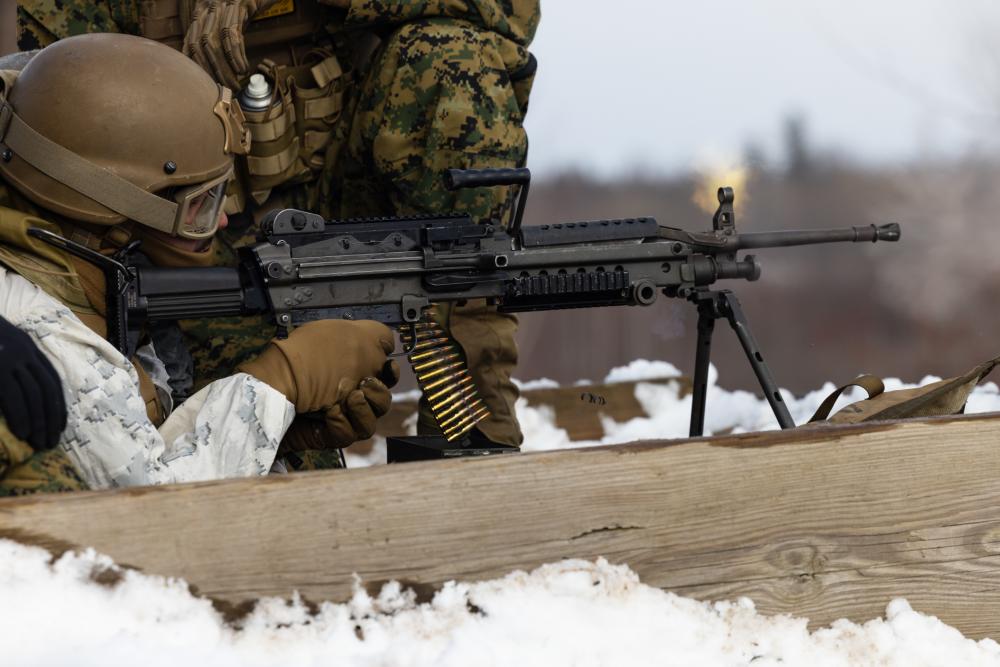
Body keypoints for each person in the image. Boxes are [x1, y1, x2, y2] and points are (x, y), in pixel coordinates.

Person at [16, 0, 540, 450]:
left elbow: (508, 16)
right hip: (178, 241)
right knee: (246, 455)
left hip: (354, 203)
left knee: (451, 58)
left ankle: (475, 426)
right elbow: (47, 104)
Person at [0, 33, 396, 495]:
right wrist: (279, 382)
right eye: (201, 205)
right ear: (114, 202)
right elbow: (156, 510)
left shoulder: (89, 277)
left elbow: (143, 449)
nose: (223, 218)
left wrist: (282, 435)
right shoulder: (42, 332)